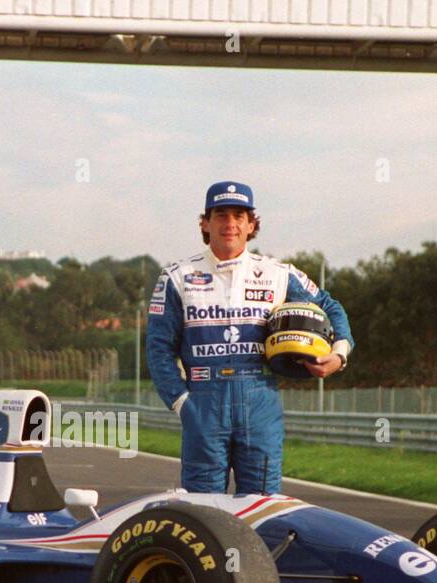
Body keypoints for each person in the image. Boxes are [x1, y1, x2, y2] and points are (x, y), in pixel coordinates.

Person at [146, 181, 354, 494]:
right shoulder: (177, 276)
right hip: (203, 399)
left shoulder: (278, 273)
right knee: (204, 511)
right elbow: (158, 349)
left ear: (251, 224)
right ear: (205, 222)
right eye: (221, 215)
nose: (230, 223)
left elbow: (331, 308)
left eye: (239, 216)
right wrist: (181, 402)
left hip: (260, 399)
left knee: (262, 508)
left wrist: (338, 355)